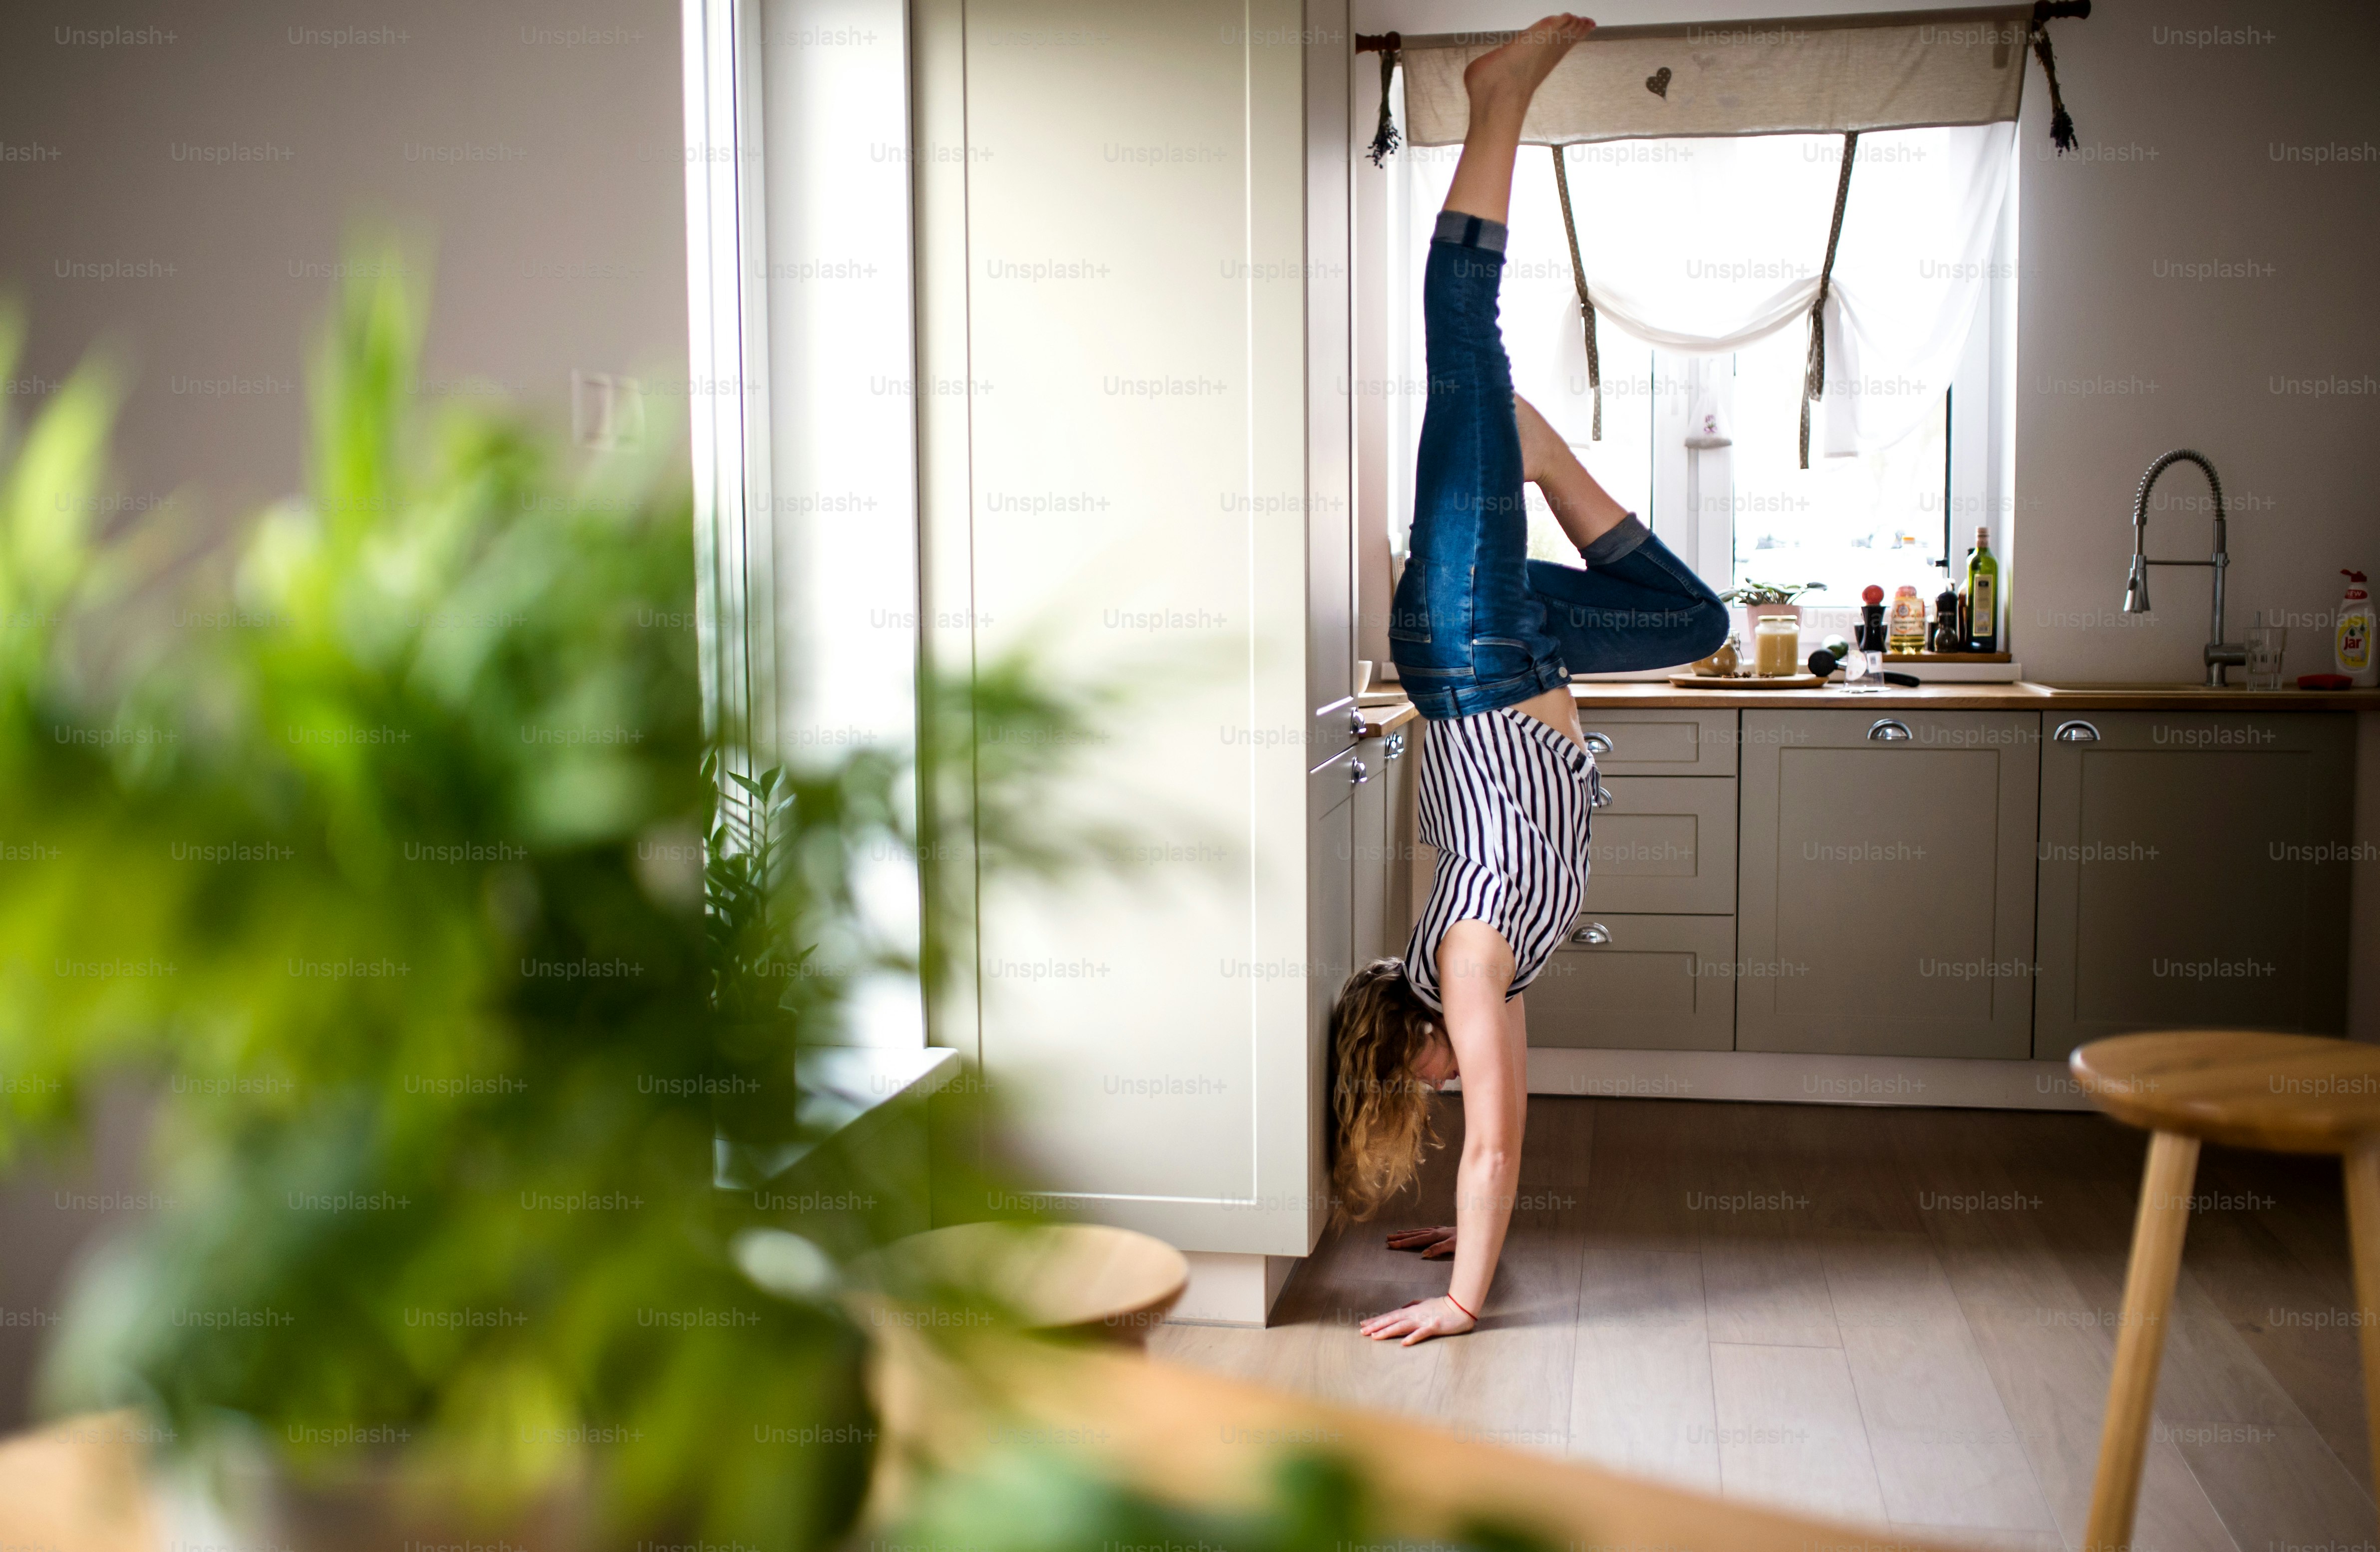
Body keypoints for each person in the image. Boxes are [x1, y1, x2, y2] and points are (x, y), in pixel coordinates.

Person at [1330, 14, 1728, 1346]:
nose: (1452, 1099)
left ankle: (1497, 100)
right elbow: (1494, 1138)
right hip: (1509, 642)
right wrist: (1468, 1233)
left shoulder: (1467, 955)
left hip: (1470, 635)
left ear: (1418, 1049)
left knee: (1463, 328)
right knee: (1693, 615)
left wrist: (1460, 1298)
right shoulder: (1470, 971)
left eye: (1424, 1094)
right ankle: (1535, 453)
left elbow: (1496, 1142)